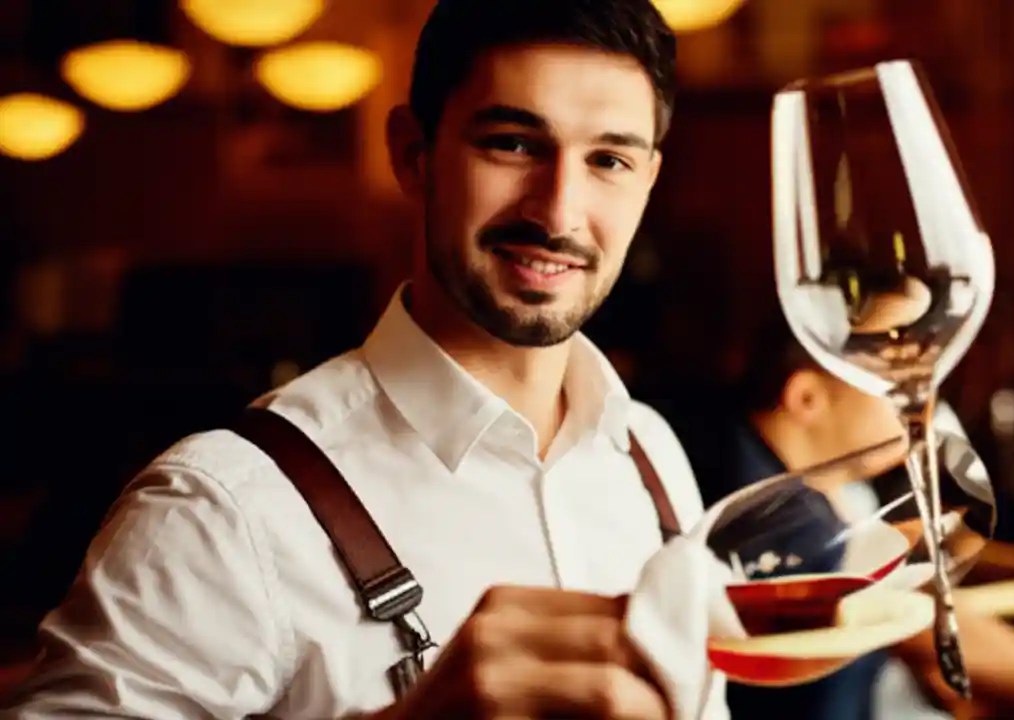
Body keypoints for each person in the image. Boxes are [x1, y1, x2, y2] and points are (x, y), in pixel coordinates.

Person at [2, 2, 730, 718]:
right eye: (512, 144)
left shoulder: (649, 455)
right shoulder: (226, 504)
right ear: (413, 154)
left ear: (648, 180)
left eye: (608, 160)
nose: (558, 212)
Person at [672, 310, 1014, 720]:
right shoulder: (772, 518)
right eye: (899, 383)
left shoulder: (775, 466)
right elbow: (914, 622)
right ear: (807, 398)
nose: (925, 404)